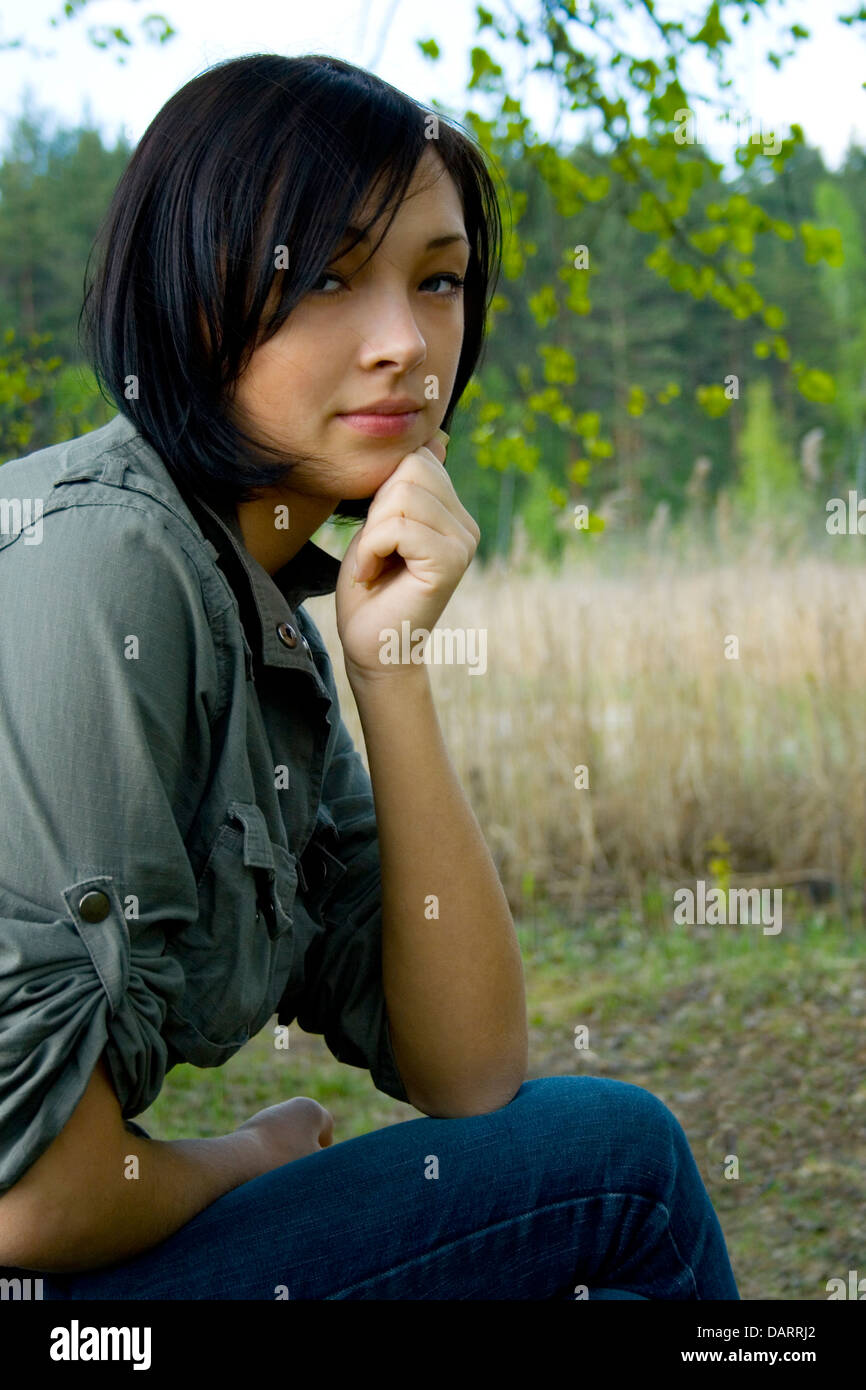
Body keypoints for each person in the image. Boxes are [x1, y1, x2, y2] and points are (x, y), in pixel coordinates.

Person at [0, 53, 739, 1300]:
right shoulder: (102, 567)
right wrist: (248, 1155)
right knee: (620, 1172)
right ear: (188, 299)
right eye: (327, 277)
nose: (404, 342)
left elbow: (465, 1072)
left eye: (437, 280)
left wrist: (389, 668)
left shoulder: (256, 609)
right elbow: (32, 1202)